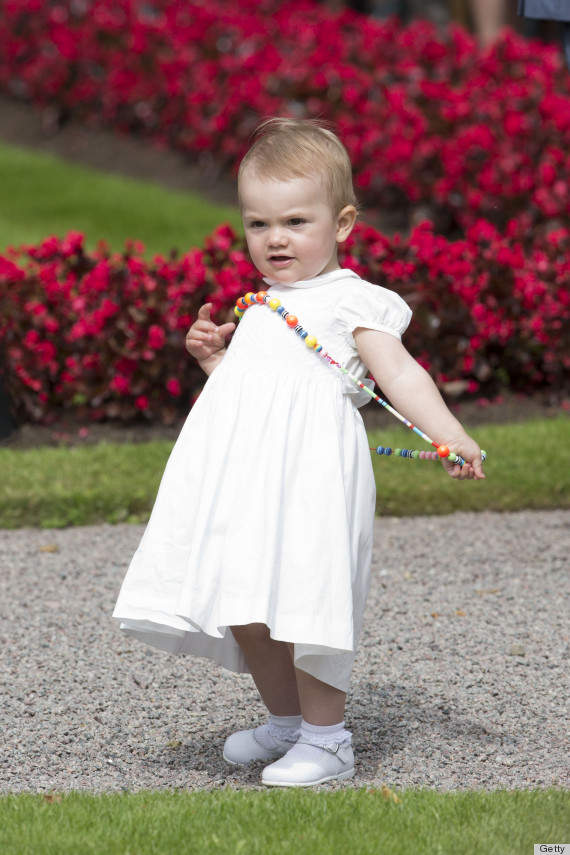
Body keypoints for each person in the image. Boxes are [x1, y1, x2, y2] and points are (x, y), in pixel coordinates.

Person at [113, 118, 485, 788]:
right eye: (258, 224)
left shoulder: (350, 301)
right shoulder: (262, 305)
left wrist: (448, 432)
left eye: (294, 220)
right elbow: (254, 393)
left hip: (311, 478)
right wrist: (217, 361)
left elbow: (398, 376)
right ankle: (286, 721)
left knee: (307, 598)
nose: (274, 238)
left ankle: (328, 737)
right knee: (248, 600)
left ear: (342, 224)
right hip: (248, 479)